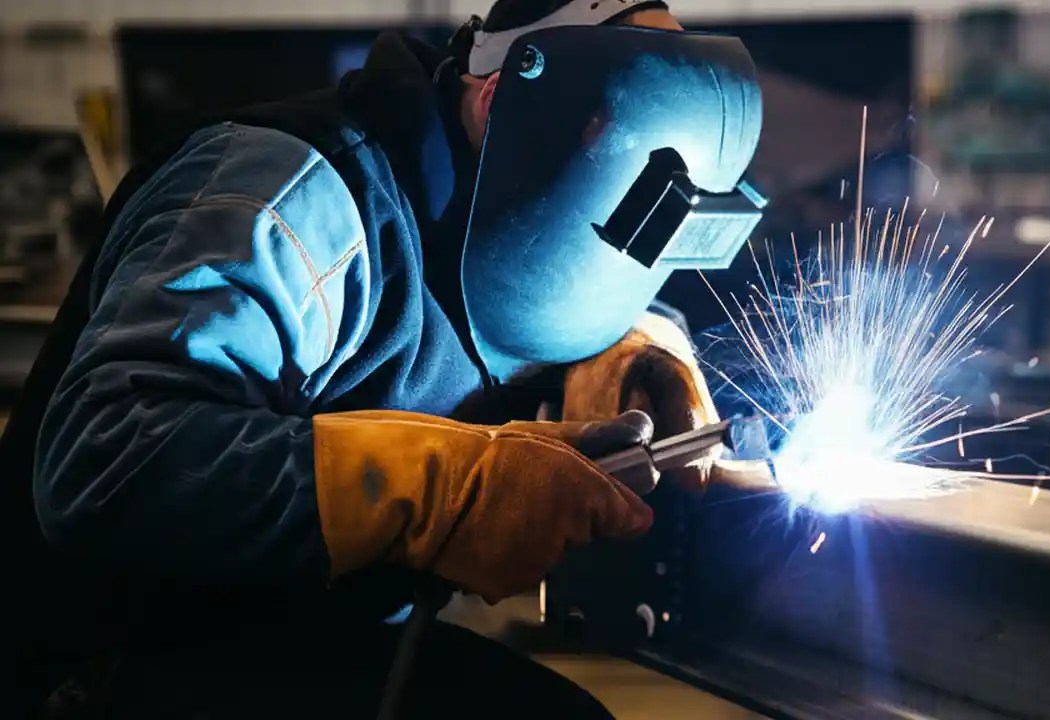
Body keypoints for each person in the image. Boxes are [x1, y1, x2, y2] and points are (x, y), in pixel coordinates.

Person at [3, 1, 764, 716]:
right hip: (99, 665)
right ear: (499, 103)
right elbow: (102, 458)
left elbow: (576, 274)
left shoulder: (509, 217)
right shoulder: (293, 200)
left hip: (294, 639)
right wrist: (440, 488)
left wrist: (634, 346)